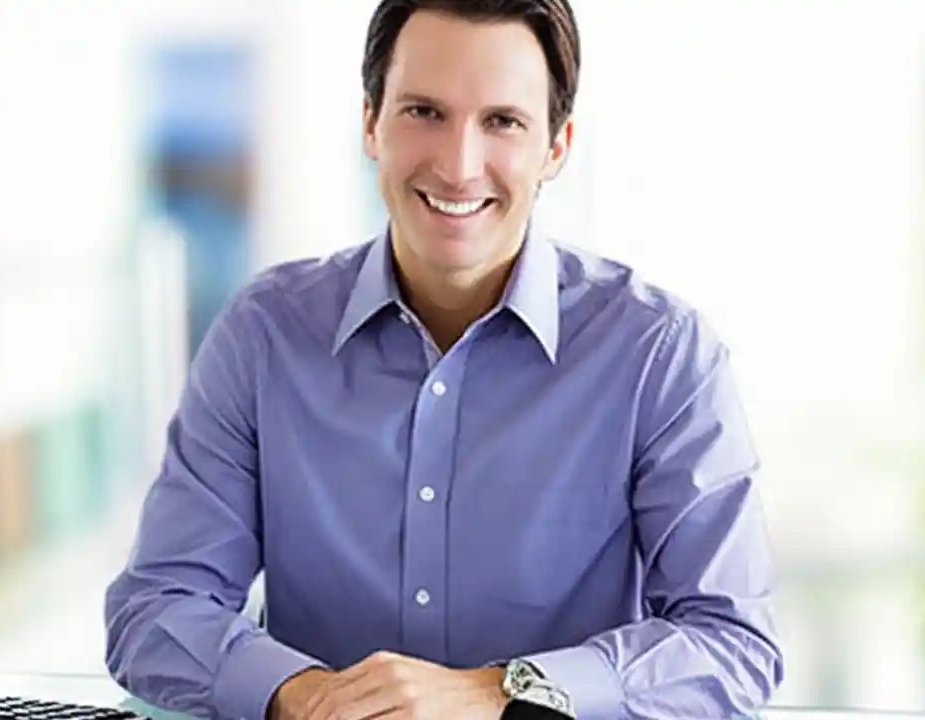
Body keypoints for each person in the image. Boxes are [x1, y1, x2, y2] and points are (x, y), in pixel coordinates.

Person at [104, 1, 785, 718]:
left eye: (503, 122)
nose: (459, 166)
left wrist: (495, 694)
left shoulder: (659, 354)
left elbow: (730, 643)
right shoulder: (263, 336)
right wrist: (309, 700)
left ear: (557, 146)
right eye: (424, 112)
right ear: (371, 123)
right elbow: (157, 607)